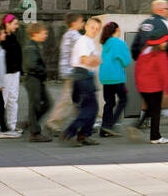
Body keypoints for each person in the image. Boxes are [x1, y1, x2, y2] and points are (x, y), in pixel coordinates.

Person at [63, 17, 102, 146]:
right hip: (82, 75)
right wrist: (93, 59)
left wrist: (93, 60)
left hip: (87, 75)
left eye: (97, 29)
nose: (95, 31)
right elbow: (85, 60)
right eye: (92, 27)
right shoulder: (83, 41)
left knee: (91, 108)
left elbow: (97, 61)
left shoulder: (90, 42)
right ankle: (70, 133)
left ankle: (83, 135)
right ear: (86, 27)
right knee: (90, 108)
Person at [132, 34, 168, 144]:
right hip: (155, 86)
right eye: (164, 41)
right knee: (156, 111)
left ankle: (137, 126)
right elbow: (165, 72)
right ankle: (155, 137)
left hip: (143, 86)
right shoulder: (161, 54)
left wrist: (138, 84)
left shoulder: (144, 51)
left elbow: (137, 69)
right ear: (158, 42)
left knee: (151, 108)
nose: (165, 43)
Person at [46, 12, 85, 133]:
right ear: (74, 23)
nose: (83, 23)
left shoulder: (70, 35)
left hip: (72, 71)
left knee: (77, 98)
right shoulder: (73, 35)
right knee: (68, 99)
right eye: (81, 21)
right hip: (72, 72)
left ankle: (82, 121)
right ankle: (53, 122)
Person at [98, 21, 131, 137]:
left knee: (109, 103)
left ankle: (104, 129)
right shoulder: (119, 43)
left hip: (105, 77)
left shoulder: (105, 43)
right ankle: (110, 125)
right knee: (123, 100)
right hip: (116, 76)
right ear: (117, 30)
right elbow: (126, 61)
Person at [21, 22, 53, 142]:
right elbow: (31, 65)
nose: (46, 35)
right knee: (35, 105)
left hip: (37, 79)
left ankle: (31, 123)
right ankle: (35, 133)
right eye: (44, 33)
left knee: (46, 104)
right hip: (33, 79)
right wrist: (43, 71)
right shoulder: (31, 47)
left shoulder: (34, 46)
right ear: (35, 33)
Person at [0, 13, 21, 134]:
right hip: (4, 73)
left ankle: (12, 125)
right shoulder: (0, 37)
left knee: (13, 98)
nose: (17, 26)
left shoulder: (13, 36)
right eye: (15, 24)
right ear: (7, 24)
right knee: (2, 99)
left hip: (15, 72)